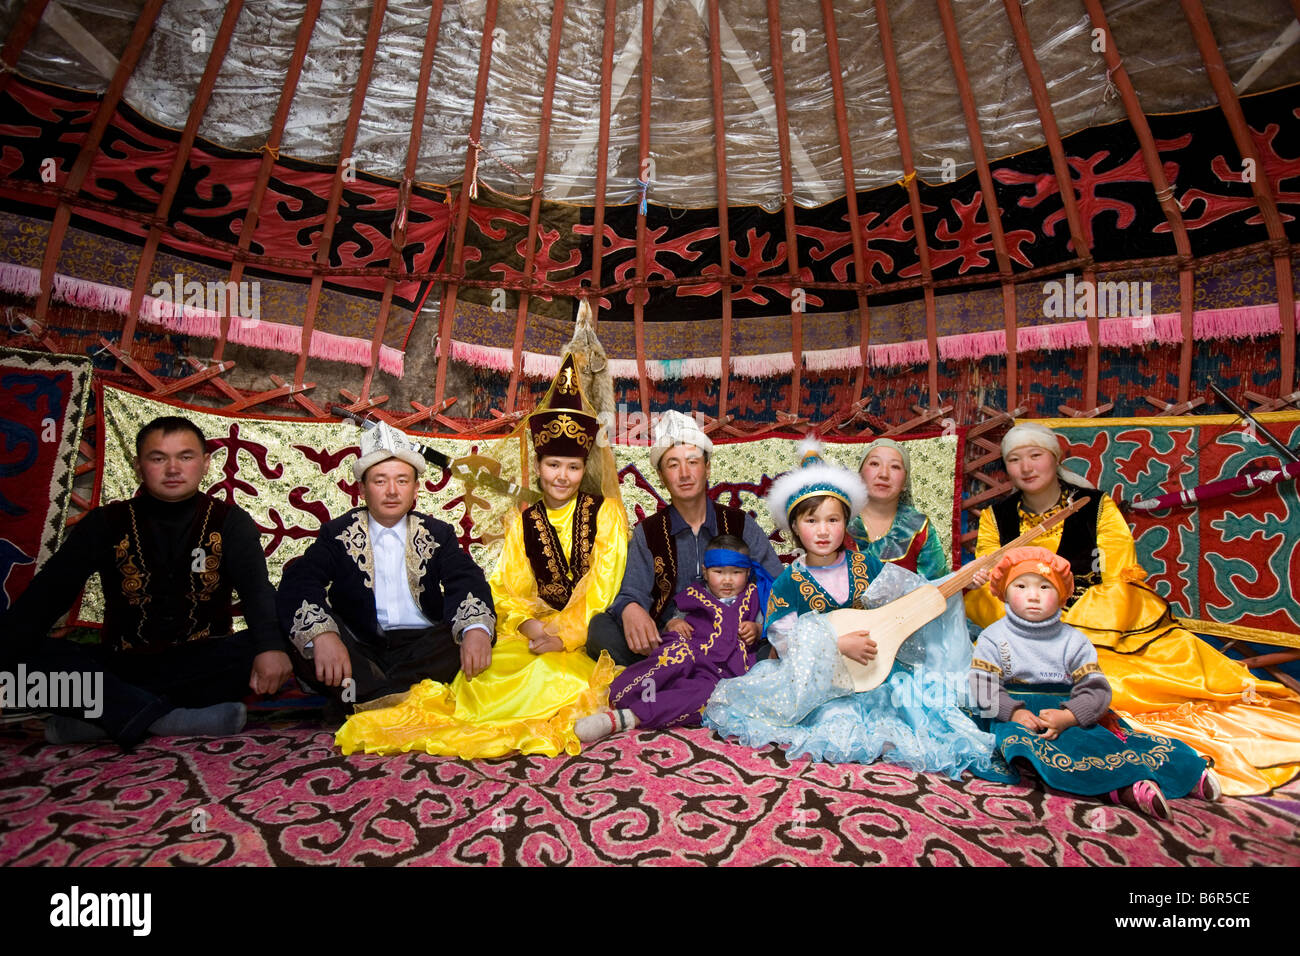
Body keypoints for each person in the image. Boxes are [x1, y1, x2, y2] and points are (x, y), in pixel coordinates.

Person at [965, 421, 1300, 796]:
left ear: (1055, 458)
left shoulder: (1095, 505)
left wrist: (1067, 619)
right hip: (1022, 614)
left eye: (1035, 455)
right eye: (1014, 459)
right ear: (1006, 468)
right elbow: (991, 572)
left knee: (1124, 677)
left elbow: (1117, 571)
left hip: (1099, 615)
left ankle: (1150, 756)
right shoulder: (998, 516)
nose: (1026, 467)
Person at [334, 354, 626, 758]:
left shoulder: (605, 512)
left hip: (581, 636)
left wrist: (562, 637)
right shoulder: (523, 520)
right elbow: (508, 588)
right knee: (481, 675)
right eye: (553, 464)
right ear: (538, 466)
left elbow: (603, 587)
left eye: (572, 468)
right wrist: (531, 629)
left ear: (583, 468)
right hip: (534, 634)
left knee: (562, 680)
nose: (561, 476)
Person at [703, 440, 993, 777]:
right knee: (832, 721)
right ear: (795, 527)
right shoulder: (789, 582)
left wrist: (960, 580)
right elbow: (783, 638)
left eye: (833, 520)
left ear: (846, 524)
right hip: (823, 683)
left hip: (877, 671)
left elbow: (914, 592)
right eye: (812, 520)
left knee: (913, 708)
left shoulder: (865, 564)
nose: (823, 530)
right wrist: (834, 644)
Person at [0, 415, 293, 747]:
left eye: (185, 456)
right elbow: (46, 597)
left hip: (203, 667)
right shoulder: (105, 523)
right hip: (122, 668)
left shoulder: (230, 522)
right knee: (21, 654)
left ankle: (108, 720)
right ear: (139, 465)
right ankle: (166, 720)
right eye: (158, 458)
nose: (172, 469)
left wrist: (271, 647)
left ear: (205, 463)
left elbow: (257, 592)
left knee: (287, 635)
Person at [970, 547, 1221, 819]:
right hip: (1016, 710)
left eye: (1045, 587)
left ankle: (1185, 770)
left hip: (1070, 707)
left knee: (1101, 738)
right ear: (1003, 593)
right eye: (1021, 586)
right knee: (1027, 742)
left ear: (1062, 596)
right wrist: (1014, 712)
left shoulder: (1072, 640)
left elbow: (1096, 688)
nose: (1033, 596)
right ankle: (1122, 788)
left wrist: (1070, 716)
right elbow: (982, 685)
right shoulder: (993, 637)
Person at [276, 420, 496, 715]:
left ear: (416, 489)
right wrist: (322, 636)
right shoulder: (338, 533)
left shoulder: (437, 533)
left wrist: (476, 629)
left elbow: (465, 578)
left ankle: (369, 699)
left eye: (402, 480)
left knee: (474, 631)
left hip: (424, 649)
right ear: (362, 489)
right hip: (361, 646)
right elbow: (300, 580)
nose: (392, 491)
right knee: (302, 637)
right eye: (380, 480)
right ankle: (406, 697)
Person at [587, 409, 782, 667]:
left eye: (693, 462)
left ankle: (706, 674)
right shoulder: (650, 532)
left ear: (707, 467)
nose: (684, 473)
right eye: (673, 464)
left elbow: (778, 586)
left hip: (735, 641)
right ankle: (690, 673)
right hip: (673, 642)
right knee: (601, 629)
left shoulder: (739, 523)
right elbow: (632, 591)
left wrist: (759, 627)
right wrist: (630, 609)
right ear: (660, 476)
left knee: (787, 636)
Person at [575, 533, 771, 742]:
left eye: (736, 572)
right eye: (718, 572)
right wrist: (674, 623)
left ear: (748, 572)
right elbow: (673, 618)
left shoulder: (754, 595)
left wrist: (757, 629)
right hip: (689, 648)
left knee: (708, 696)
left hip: (721, 672)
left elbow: (768, 626)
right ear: (705, 572)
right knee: (675, 657)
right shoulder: (695, 594)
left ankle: (624, 718)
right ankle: (619, 695)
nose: (727, 580)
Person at [847, 438, 949, 579]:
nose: (883, 474)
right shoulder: (838, 519)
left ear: (905, 482)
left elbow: (937, 587)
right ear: (859, 475)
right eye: (874, 463)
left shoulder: (918, 527)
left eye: (895, 467)